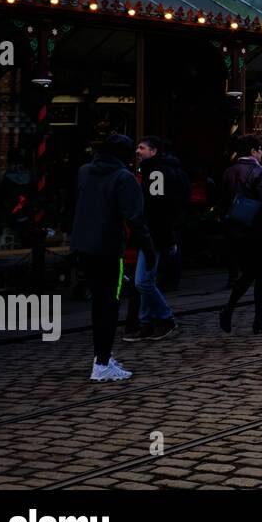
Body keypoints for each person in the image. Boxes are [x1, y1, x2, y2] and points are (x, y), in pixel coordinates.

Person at [72, 133, 155, 381]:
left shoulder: (85, 171)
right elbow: (136, 219)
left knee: (99, 304)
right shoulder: (124, 178)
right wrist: (149, 251)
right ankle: (103, 363)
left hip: (83, 245)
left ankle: (101, 356)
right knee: (109, 305)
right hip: (107, 248)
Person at [127, 136, 189, 342]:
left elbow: (158, 208)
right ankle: (146, 322)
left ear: (153, 151)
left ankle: (165, 317)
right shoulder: (155, 170)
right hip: (154, 233)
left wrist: (163, 235)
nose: (138, 151)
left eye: (142, 148)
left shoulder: (156, 172)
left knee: (142, 281)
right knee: (147, 280)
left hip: (153, 234)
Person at [218, 135, 262, 335]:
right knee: (259, 275)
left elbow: (223, 202)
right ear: (253, 151)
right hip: (257, 231)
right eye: (260, 150)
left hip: (235, 230)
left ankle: (235, 310)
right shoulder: (258, 171)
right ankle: (255, 318)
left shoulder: (228, 172)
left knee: (248, 272)